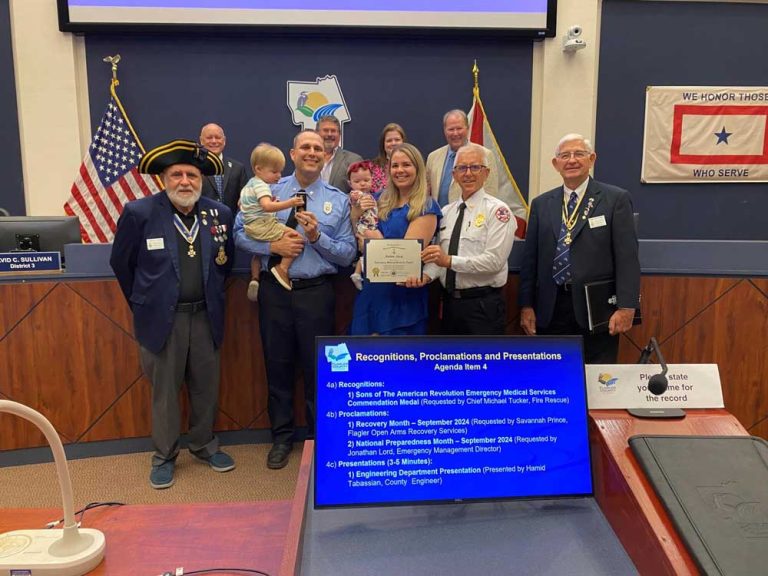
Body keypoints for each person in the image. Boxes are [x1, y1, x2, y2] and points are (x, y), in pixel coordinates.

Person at [110, 139, 236, 489]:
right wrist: (145, 302)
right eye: (176, 174)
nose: (184, 181)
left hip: (205, 316)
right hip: (163, 320)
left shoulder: (219, 214)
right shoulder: (140, 213)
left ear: (201, 179)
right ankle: (164, 455)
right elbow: (121, 264)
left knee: (206, 387)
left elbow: (226, 264)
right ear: (163, 178)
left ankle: (204, 445)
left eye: (191, 175)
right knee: (165, 392)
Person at [234, 129, 356, 470]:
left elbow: (348, 254)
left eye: (318, 148)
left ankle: (319, 440)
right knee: (278, 364)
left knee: (318, 368)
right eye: (306, 147)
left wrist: (317, 238)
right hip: (275, 290)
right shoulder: (267, 190)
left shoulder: (338, 200)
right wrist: (271, 246)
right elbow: (239, 233)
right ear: (293, 154)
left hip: (316, 292)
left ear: (326, 155)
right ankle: (282, 438)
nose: (312, 152)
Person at [518, 133, 640, 364]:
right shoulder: (541, 204)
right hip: (550, 309)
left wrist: (627, 306)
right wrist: (526, 305)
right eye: (565, 155)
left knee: (596, 379)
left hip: (596, 309)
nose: (572, 160)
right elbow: (530, 260)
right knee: (552, 377)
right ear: (556, 164)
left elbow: (627, 259)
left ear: (592, 159)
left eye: (579, 154)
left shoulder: (615, 199)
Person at [418, 144, 516, 335]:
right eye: (462, 168)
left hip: (482, 306)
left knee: (483, 355)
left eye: (475, 167)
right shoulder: (446, 212)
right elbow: (439, 259)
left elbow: (494, 262)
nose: (468, 173)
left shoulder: (498, 211)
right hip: (449, 305)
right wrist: (425, 277)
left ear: (486, 173)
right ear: (454, 175)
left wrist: (449, 261)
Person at [350, 143, 441, 335]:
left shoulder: (426, 207)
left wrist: (375, 243)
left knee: (396, 353)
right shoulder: (378, 199)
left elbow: (406, 259)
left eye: (406, 165)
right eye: (395, 165)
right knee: (363, 352)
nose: (400, 170)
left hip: (401, 301)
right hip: (371, 293)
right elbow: (358, 234)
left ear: (418, 168)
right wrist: (355, 214)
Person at [240, 143, 304, 301]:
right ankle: (282, 269)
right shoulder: (262, 186)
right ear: (258, 169)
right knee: (296, 237)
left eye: (280, 171)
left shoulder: (250, 184)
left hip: (250, 226)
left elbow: (241, 204)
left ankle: (255, 278)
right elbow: (267, 207)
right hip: (263, 225)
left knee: (257, 253)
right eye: (274, 172)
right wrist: (290, 203)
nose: (279, 176)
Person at [426, 109, 499, 207]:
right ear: (444, 131)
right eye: (451, 129)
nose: (455, 133)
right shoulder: (433, 157)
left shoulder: (485, 154)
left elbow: (490, 193)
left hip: (473, 215)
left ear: (467, 128)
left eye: (459, 128)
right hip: (439, 216)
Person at [199, 123, 249, 214]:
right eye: (209, 138)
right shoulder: (196, 168)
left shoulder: (238, 168)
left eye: (218, 137)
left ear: (224, 140)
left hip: (231, 221)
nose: (214, 141)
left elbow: (245, 199)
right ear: (201, 141)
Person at [347, 160, 378, 290]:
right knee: (369, 250)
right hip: (363, 227)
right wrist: (356, 198)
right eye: (357, 181)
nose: (362, 184)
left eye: (366, 180)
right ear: (350, 184)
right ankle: (357, 273)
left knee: (370, 253)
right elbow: (354, 198)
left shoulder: (374, 195)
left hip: (373, 226)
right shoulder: (356, 194)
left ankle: (358, 273)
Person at [316, 115, 363, 193]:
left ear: (339, 134)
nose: (329, 134)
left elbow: (361, 191)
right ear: (317, 133)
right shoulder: (308, 158)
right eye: (326, 130)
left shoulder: (353, 160)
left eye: (333, 131)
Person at [370, 122, 406, 192]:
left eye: (397, 140)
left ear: (403, 141)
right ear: (383, 144)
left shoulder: (412, 164)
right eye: (389, 141)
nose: (393, 143)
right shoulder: (372, 167)